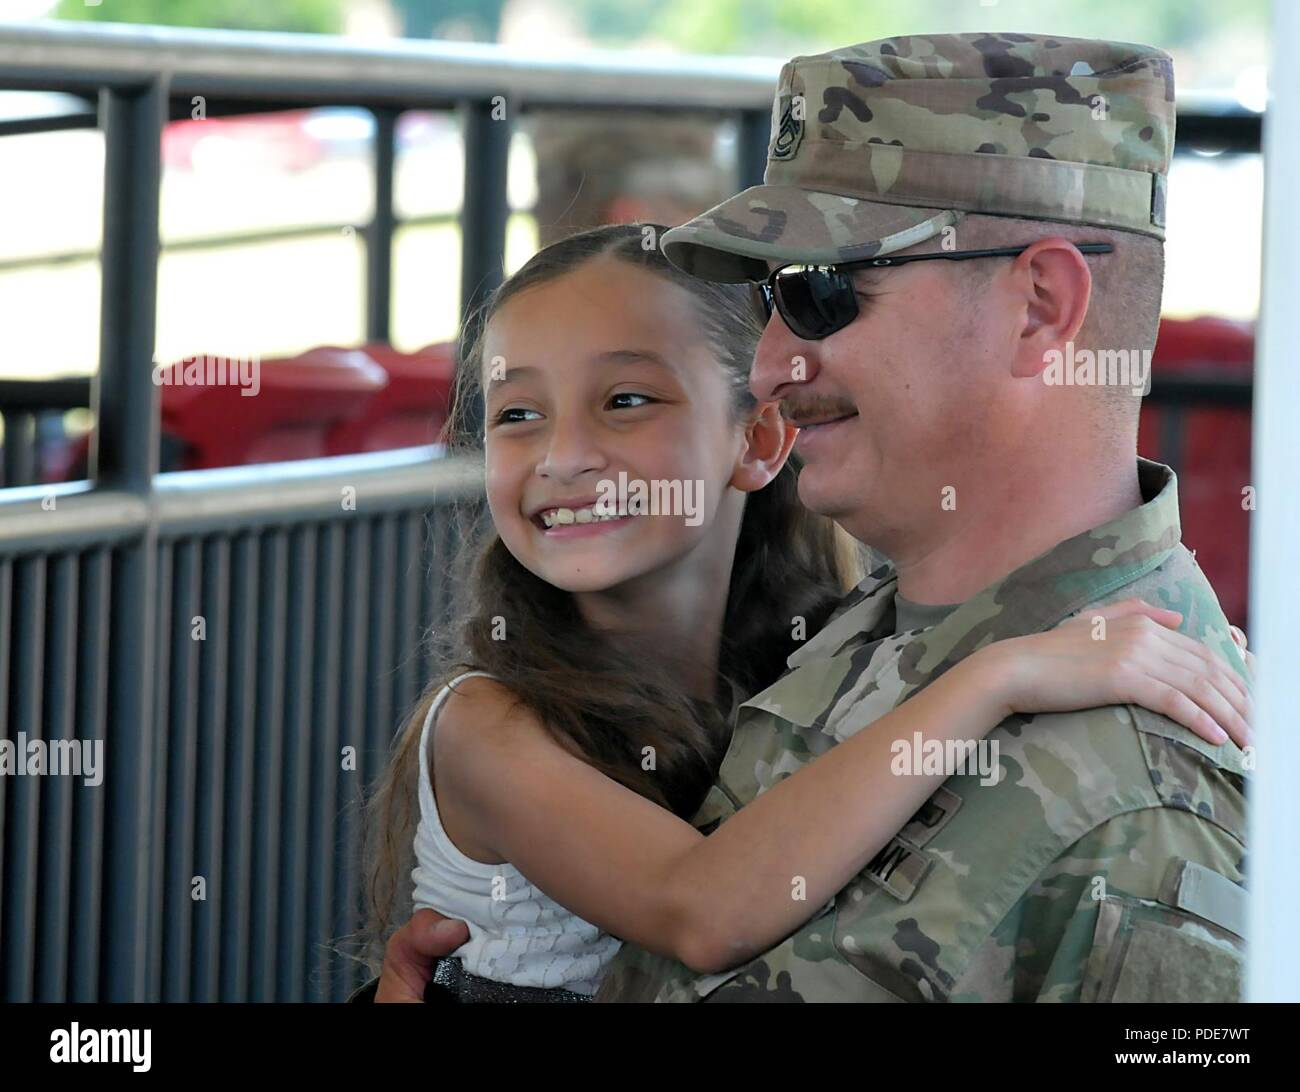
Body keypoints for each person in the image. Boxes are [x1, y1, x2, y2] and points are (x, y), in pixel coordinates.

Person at [370, 32, 1255, 1004]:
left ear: (1039, 306)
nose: (767, 366)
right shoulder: (856, 626)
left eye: (820, 293)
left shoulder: (1151, 806)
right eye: (767, 300)